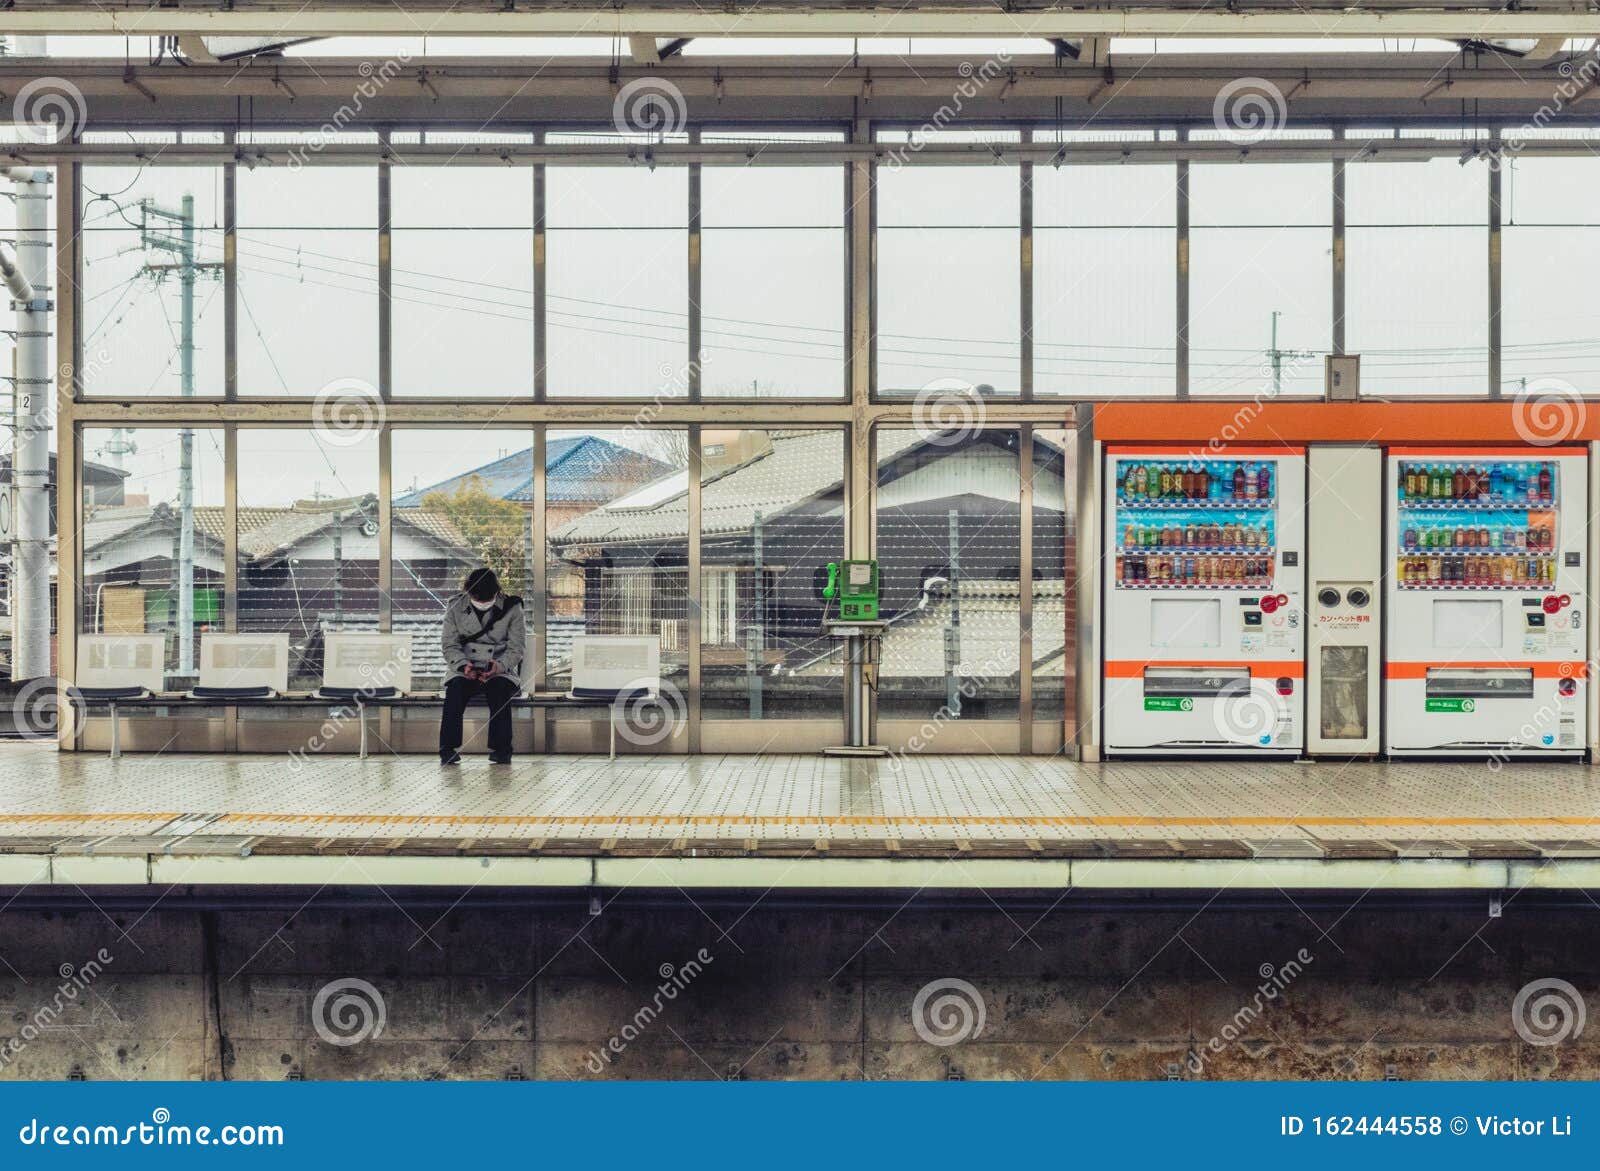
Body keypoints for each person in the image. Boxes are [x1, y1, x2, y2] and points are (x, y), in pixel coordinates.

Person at [439, 567, 525, 765]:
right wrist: (463, 666)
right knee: (455, 690)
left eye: (488, 599)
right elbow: (449, 644)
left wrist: (499, 666)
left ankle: (502, 750)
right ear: (468, 593)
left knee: (500, 691)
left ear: (496, 593)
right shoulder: (455, 606)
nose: (483, 603)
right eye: (478, 599)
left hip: (498, 666)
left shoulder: (512, 608)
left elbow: (517, 648)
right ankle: (447, 749)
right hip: (465, 665)